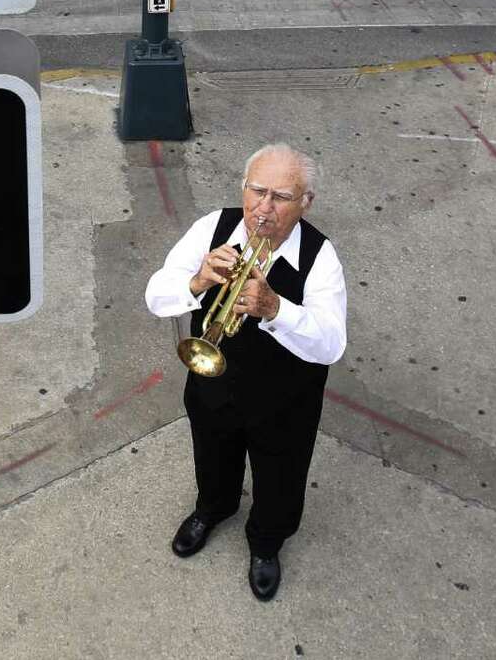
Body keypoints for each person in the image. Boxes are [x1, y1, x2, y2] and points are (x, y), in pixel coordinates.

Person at [143, 142, 348, 601]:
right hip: (214, 382)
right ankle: (212, 509)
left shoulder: (320, 258)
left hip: (284, 401)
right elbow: (156, 295)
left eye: (281, 197)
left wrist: (276, 308)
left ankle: (266, 543)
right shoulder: (211, 228)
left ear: (306, 202)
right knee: (211, 454)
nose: (264, 208)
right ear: (243, 188)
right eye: (257, 191)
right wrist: (198, 281)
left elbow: (332, 344)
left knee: (281, 476)